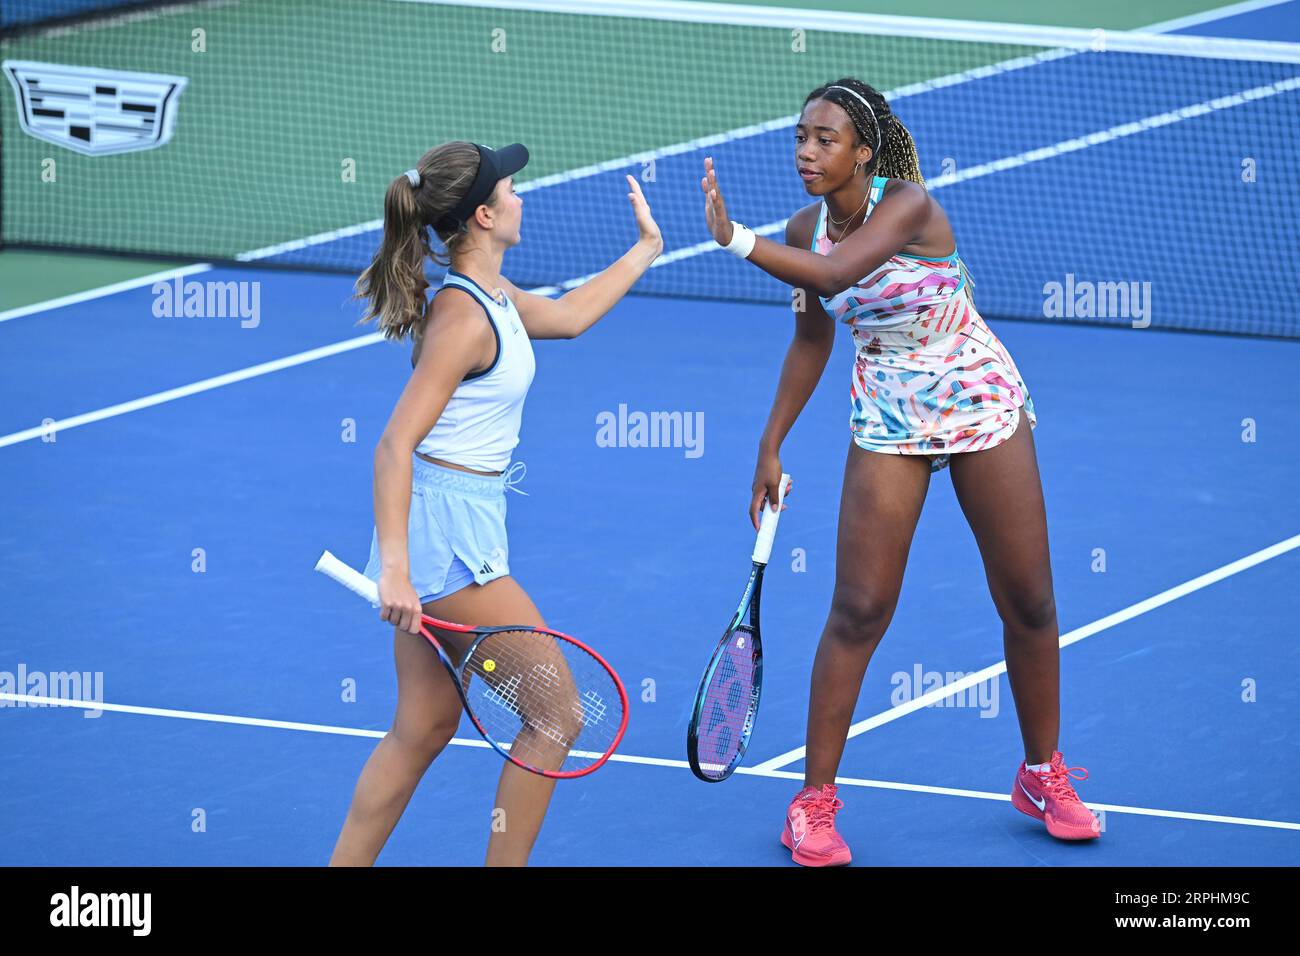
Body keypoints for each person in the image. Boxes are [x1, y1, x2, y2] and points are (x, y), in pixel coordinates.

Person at [701, 79, 1099, 867]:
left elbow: (835, 273)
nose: (806, 152)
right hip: (887, 412)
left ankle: (1042, 773)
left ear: (863, 152)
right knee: (859, 607)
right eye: (800, 136)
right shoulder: (803, 227)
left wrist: (732, 238)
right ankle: (812, 805)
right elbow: (813, 337)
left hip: (979, 398)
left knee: (1029, 597)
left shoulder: (909, 205)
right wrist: (769, 444)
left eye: (824, 139)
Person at [330, 141, 662, 866]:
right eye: (511, 189)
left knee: (419, 731)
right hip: (448, 545)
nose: (521, 197)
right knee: (557, 715)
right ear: (483, 215)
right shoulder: (464, 319)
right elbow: (393, 444)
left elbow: (572, 315)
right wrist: (395, 570)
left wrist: (645, 250)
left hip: (454, 529)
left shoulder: (493, 300)